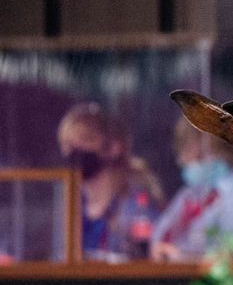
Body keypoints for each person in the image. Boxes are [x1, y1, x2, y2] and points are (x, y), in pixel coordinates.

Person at [57, 102, 163, 262]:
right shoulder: (72, 204)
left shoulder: (137, 204)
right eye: (67, 144)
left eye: (85, 139)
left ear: (114, 147)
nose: (72, 150)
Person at [151, 118, 233, 262]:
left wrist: (185, 258)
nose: (182, 160)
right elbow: (159, 236)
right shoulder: (190, 194)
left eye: (195, 154)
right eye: (182, 149)